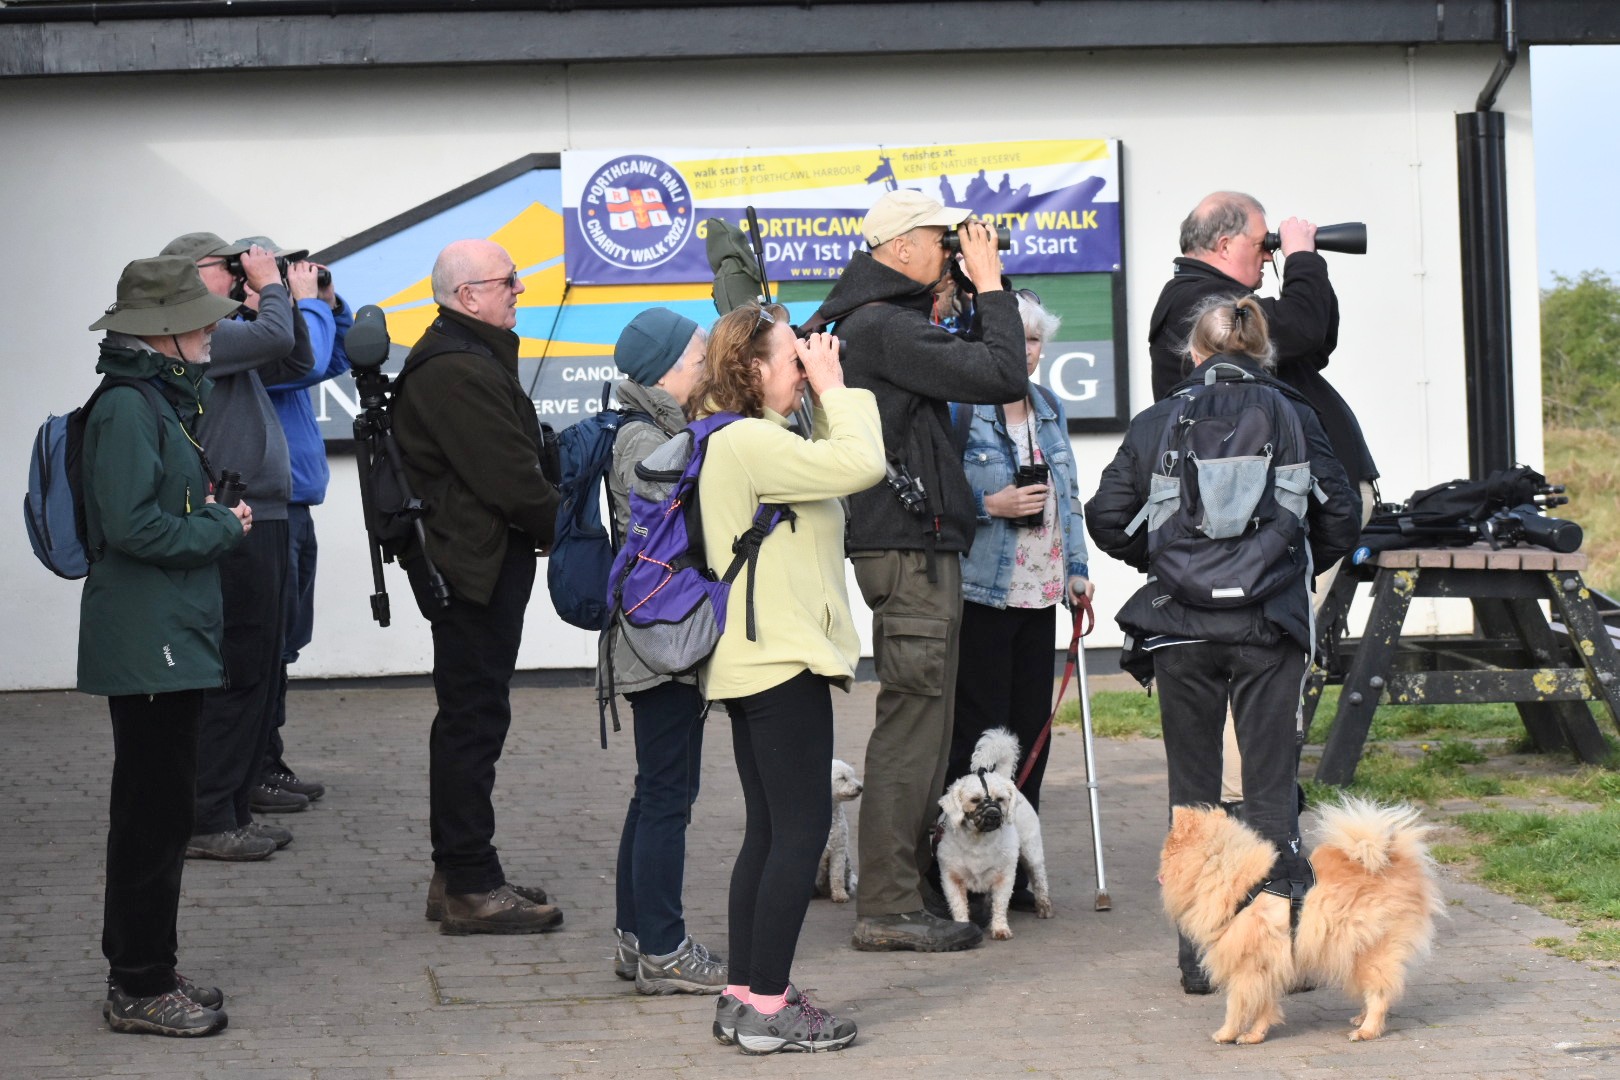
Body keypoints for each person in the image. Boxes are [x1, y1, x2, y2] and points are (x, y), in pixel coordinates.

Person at [1086, 295, 1360, 994]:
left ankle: (1197, 959)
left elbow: (1106, 515)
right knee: (1270, 797)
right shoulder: (1297, 414)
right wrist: (1289, 568)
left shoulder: (1158, 419)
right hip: (1270, 626)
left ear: (1196, 351)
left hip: (1181, 628)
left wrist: (1165, 562)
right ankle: (1277, 953)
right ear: (1263, 351)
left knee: (1195, 800)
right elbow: (1342, 512)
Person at [808, 189, 1027, 953]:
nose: (949, 250)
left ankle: (905, 893)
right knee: (911, 726)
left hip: (914, 545)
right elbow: (1004, 372)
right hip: (905, 550)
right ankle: (890, 905)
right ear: (899, 247)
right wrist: (993, 284)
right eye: (939, 239)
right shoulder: (882, 327)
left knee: (928, 725)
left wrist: (967, 292)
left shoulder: (878, 323)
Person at [1147, 194, 1381, 841]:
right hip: (1269, 524)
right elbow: (1305, 325)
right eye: (1261, 239)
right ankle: (1249, 806)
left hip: (1263, 521)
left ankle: (1247, 800)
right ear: (1223, 245)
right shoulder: (1199, 305)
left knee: (1262, 650)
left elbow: (1314, 341)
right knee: (1266, 651)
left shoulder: (1204, 302)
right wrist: (1304, 256)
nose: (1268, 248)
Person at [696, 302, 884, 1053]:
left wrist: (815, 398)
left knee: (772, 831)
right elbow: (863, 464)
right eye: (791, 358)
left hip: (762, 658)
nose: (804, 368)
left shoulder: (758, 439)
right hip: (776, 661)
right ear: (753, 369)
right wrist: (838, 387)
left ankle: (744, 995)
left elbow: (833, 473)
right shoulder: (745, 441)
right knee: (801, 831)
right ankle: (769, 1005)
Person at [80, 256, 251, 1035]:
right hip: (151, 639)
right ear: (161, 333)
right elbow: (132, 526)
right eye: (199, 319)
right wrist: (222, 526)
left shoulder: (154, 399)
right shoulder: (128, 407)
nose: (212, 328)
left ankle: (149, 966)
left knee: (161, 808)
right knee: (152, 813)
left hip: (164, 635)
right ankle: (139, 984)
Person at [390, 238, 565, 934]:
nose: (519, 292)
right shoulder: (456, 369)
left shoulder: (461, 357)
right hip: (472, 569)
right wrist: (565, 528)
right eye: (509, 283)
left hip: (474, 560)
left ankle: (458, 872)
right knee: (472, 720)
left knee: (471, 715)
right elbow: (510, 476)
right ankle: (469, 881)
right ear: (468, 296)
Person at [160, 232, 314, 861]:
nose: (237, 273)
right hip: (237, 520)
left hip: (266, 515)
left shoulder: (226, 333)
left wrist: (271, 295)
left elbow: (295, 360)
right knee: (239, 668)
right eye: (225, 267)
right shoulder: (195, 337)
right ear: (188, 277)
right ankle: (208, 816)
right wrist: (273, 287)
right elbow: (276, 339)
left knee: (259, 666)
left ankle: (232, 804)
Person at [946, 290, 1093, 911]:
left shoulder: (1049, 407)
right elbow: (939, 497)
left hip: (1041, 594)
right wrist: (990, 506)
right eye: (1016, 339)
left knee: (1032, 731)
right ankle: (958, 864)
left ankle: (1010, 865)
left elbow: (1071, 495)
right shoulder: (961, 410)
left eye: (1035, 341)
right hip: (984, 592)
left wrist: (1079, 570)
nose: (1027, 352)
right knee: (978, 732)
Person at [602, 307, 727, 994]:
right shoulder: (646, 439)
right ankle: (664, 947)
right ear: (673, 364)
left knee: (659, 789)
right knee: (667, 795)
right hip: (661, 638)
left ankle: (635, 935)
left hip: (659, 634)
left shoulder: (656, 428)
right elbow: (675, 524)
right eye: (701, 350)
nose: (708, 361)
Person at [257, 241, 352, 811]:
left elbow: (333, 361)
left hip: (296, 507)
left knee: (284, 643)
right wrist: (298, 300)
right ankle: (255, 766)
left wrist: (328, 305)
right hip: (272, 510)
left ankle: (268, 758)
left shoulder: (273, 334)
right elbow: (309, 361)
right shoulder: (242, 340)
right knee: (266, 645)